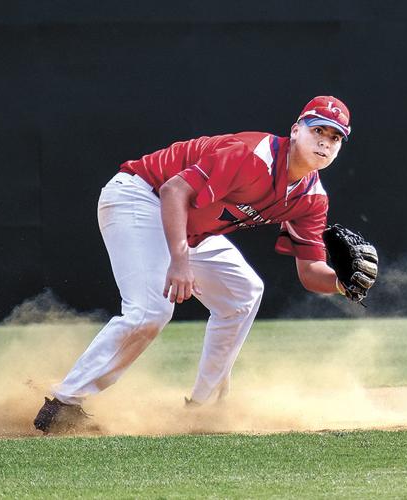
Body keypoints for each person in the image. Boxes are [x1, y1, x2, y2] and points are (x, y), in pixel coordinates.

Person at [33, 96, 366, 433]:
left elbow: (310, 273)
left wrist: (343, 282)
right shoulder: (251, 155)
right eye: (317, 130)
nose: (324, 141)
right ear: (296, 131)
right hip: (140, 197)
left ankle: (202, 408)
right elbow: (173, 189)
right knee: (151, 310)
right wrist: (179, 261)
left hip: (190, 226)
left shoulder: (311, 198)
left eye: (335, 137)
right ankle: (65, 404)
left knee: (244, 293)